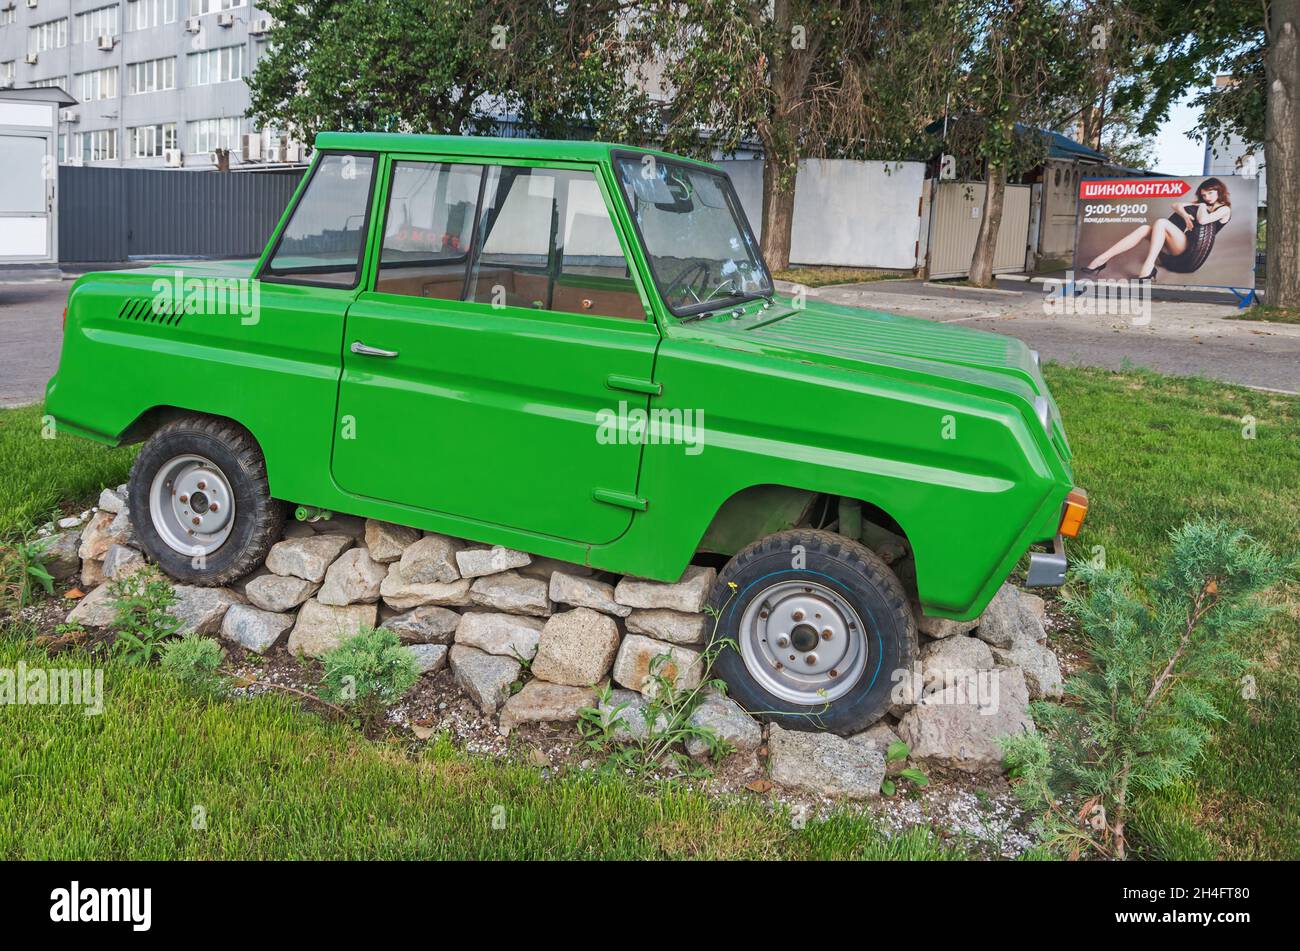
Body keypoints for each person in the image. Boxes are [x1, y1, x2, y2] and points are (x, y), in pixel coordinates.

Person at [1080, 178, 1232, 281]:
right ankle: (1101, 259)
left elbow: (1203, 220)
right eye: (1204, 195)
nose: (1206, 198)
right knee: (1145, 228)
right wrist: (1185, 216)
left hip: (1189, 254)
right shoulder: (1201, 203)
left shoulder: (1224, 209)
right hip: (1176, 249)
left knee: (1161, 222)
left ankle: (1148, 266)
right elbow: (1176, 205)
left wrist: (1202, 206)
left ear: (1219, 191)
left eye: (1210, 193)